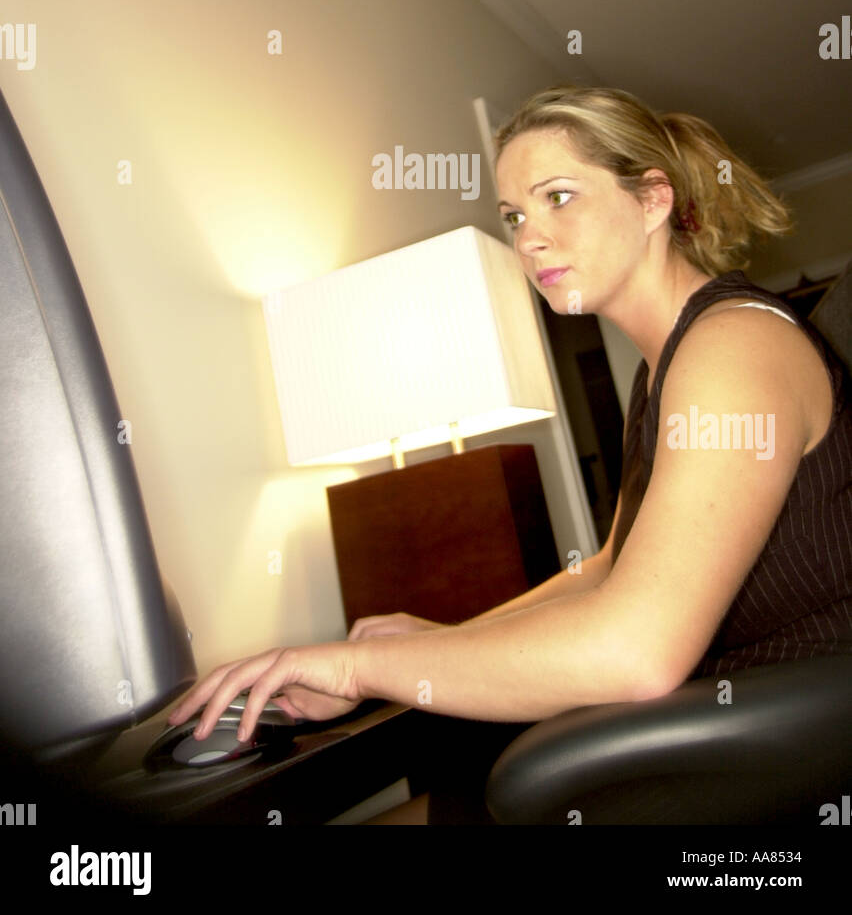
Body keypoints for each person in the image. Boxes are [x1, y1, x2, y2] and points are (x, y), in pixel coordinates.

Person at [167, 84, 852, 823]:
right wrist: (452, 640)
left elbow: (638, 651)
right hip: (724, 722)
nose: (529, 239)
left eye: (559, 197)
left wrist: (359, 668)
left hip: (788, 745)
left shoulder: (732, 346)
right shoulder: (663, 374)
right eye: (516, 216)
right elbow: (610, 569)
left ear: (653, 199)